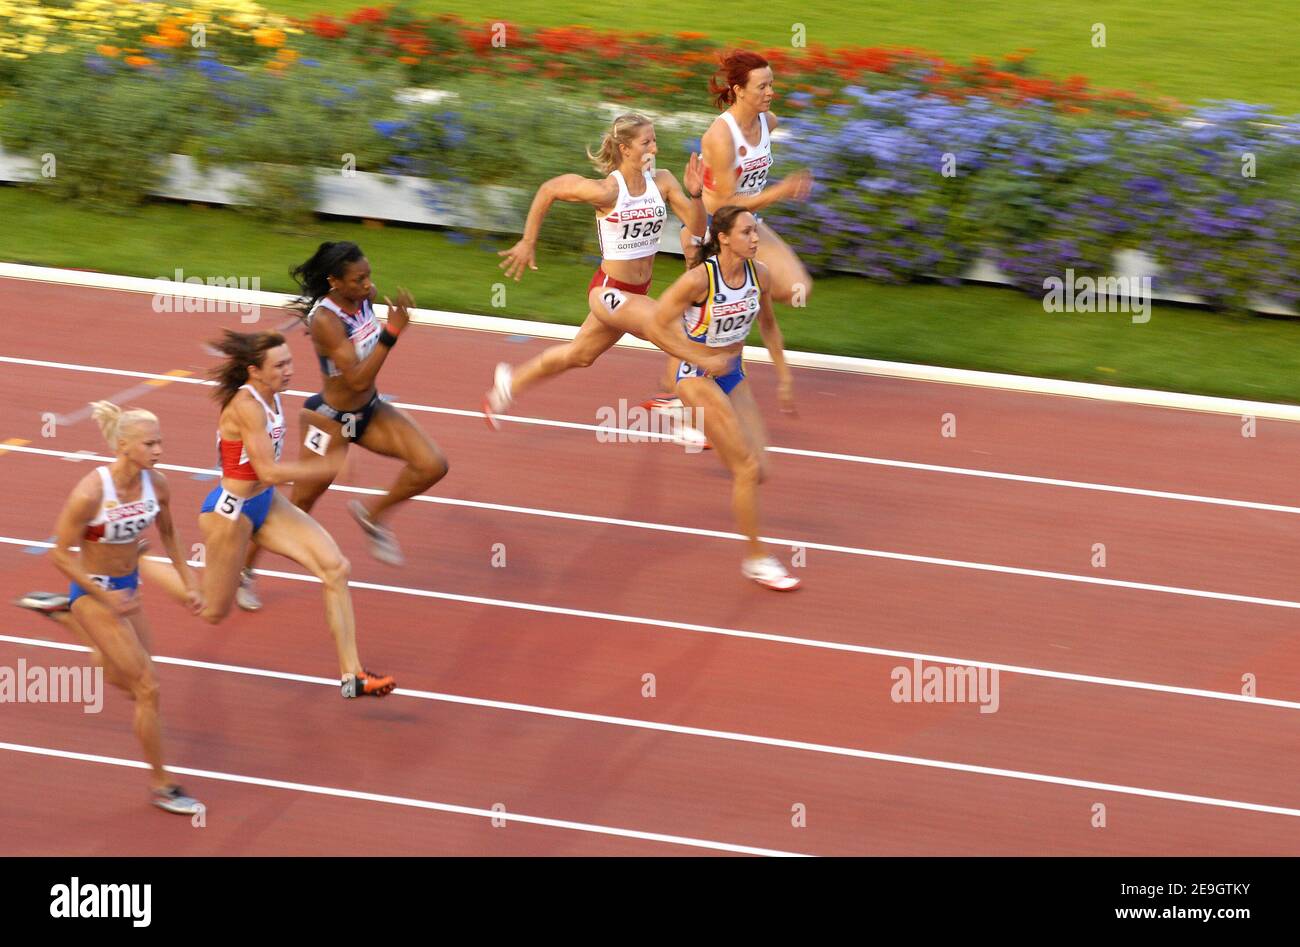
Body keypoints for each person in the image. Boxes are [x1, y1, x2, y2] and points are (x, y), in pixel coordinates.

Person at [590, 206, 800, 590]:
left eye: (756, 232)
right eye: (748, 232)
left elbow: (769, 326)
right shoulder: (699, 281)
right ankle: (756, 559)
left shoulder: (760, 276)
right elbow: (656, 323)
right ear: (723, 238)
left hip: (733, 374)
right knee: (747, 468)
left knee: (760, 471)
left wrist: (784, 376)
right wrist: (697, 356)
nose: (756, 239)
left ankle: (701, 429)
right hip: (696, 376)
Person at [15, 402, 205, 814]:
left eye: (161, 442)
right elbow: (61, 555)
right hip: (96, 593)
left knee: (124, 680)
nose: (159, 450)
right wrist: (104, 598)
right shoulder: (91, 491)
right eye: (150, 443)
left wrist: (189, 582)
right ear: (124, 446)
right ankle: (162, 784)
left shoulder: (159, 484)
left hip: (126, 591)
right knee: (147, 688)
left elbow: (170, 533)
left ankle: (63, 616)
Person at [235, 242, 448, 610]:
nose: (368, 285)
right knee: (298, 506)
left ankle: (373, 514)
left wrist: (385, 330)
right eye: (359, 279)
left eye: (368, 275)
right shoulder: (325, 321)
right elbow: (357, 379)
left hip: (369, 412)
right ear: (334, 281)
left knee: (433, 464)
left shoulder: (365, 298)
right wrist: (391, 333)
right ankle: (244, 571)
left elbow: (365, 385)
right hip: (330, 422)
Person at [194, 329, 395, 697]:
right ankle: (142, 564)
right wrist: (327, 464)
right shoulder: (247, 406)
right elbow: (268, 471)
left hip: (265, 503)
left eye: (290, 361)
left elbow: (273, 470)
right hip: (231, 513)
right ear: (255, 370)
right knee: (212, 611)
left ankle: (352, 676)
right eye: (280, 364)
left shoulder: (273, 398)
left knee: (335, 568)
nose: (290, 369)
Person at [485, 112, 713, 426]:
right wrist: (527, 241)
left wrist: (697, 195)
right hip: (609, 292)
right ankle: (681, 403)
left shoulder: (663, 182)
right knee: (670, 327)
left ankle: (508, 384)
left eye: (655, 141)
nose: (654, 149)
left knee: (580, 355)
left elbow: (697, 227)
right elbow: (550, 189)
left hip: (637, 291)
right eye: (647, 142)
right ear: (625, 149)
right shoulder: (607, 191)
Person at [646, 49, 813, 415]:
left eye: (772, 83)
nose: (771, 92)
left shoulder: (768, 122)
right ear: (738, 89)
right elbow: (721, 205)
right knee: (710, 304)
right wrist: (780, 191)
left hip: (748, 222)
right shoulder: (720, 137)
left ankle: (690, 373)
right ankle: (680, 389)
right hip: (715, 229)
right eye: (763, 86)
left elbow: (750, 173)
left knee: (795, 287)